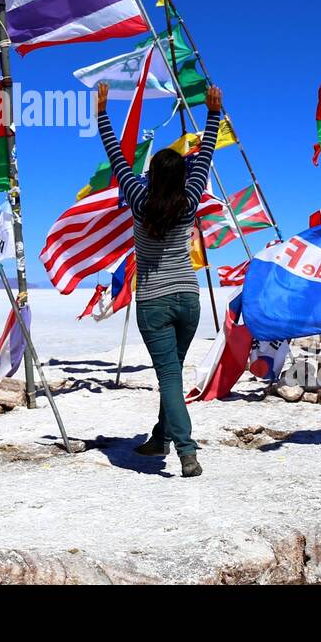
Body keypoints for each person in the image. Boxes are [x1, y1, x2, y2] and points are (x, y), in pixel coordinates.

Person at [95, 80, 223, 478]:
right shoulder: (190, 198)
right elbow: (203, 159)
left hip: (153, 301)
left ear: (149, 174)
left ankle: (186, 451)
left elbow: (116, 156)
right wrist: (213, 113)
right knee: (173, 373)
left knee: (169, 376)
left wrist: (102, 113)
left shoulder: (137, 197)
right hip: (188, 299)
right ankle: (160, 438)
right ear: (182, 175)